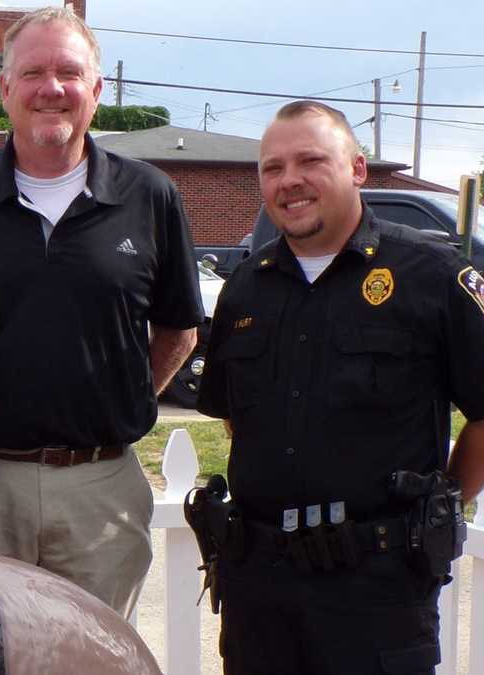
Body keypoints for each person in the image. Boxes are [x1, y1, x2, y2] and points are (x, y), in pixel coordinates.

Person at [0, 7, 203, 619]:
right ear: (5, 88)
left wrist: (123, 399)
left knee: (90, 657)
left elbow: (179, 329)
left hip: (101, 491)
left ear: (96, 89)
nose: (52, 89)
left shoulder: (151, 197)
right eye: (33, 72)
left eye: (70, 72)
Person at [196, 100, 484, 674]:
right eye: (272, 167)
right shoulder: (245, 290)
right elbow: (236, 418)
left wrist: (443, 502)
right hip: (260, 590)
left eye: (310, 161)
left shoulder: (431, 277)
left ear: (356, 168)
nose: (289, 181)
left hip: (378, 590)